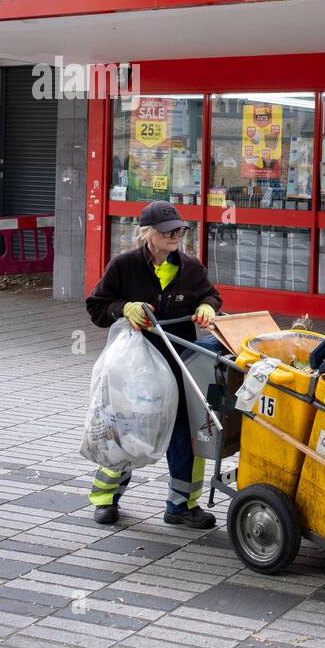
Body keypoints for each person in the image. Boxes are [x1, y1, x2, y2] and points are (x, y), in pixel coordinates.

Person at [85, 201, 223, 527]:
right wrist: (124, 308)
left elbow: (211, 295)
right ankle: (105, 499)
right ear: (147, 233)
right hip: (135, 368)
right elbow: (96, 307)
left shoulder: (190, 268)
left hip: (179, 362)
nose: (175, 236)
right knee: (127, 430)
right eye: (167, 231)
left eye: (179, 230)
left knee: (185, 436)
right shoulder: (124, 265)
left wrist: (207, 307)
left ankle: (182, 506)